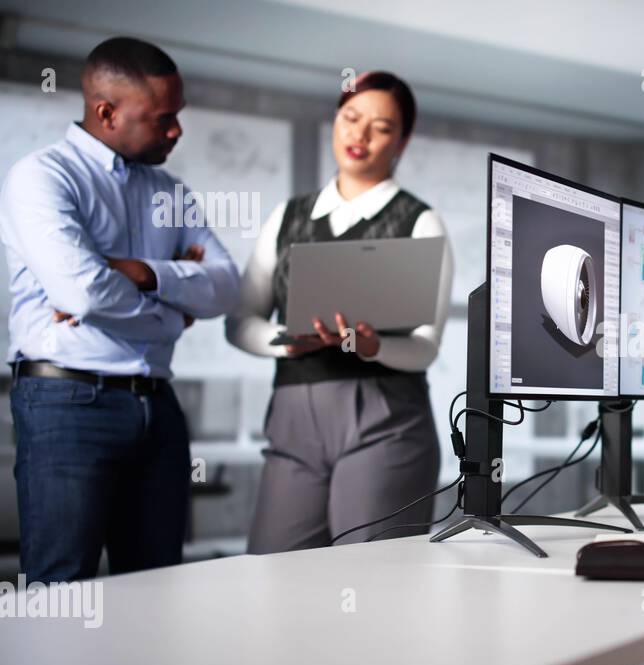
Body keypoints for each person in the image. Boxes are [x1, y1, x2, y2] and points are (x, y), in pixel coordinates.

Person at [0, 37, 240, 582]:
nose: (176, 130)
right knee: (61, 587)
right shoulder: (42, 178)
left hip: (158, 409)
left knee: (158, 588)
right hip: (67, 404)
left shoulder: (172, 192)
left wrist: (144, 271)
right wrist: (174, 311)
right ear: (106, 112)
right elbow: (84, 290)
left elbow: (225, 287)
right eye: (163, 118)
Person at [226, 71, 454, 552]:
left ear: (402, 141)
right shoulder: (287, 217)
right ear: (336, 120)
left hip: (385, 418)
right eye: (351, 118)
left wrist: (371, 346)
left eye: (382, 127)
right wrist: (287, 340)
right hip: (293, 414)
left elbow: (425, 347)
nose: (360, 134)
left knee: (371, 580)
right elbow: (239, 320)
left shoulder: (420, 221)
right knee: (271, 572)